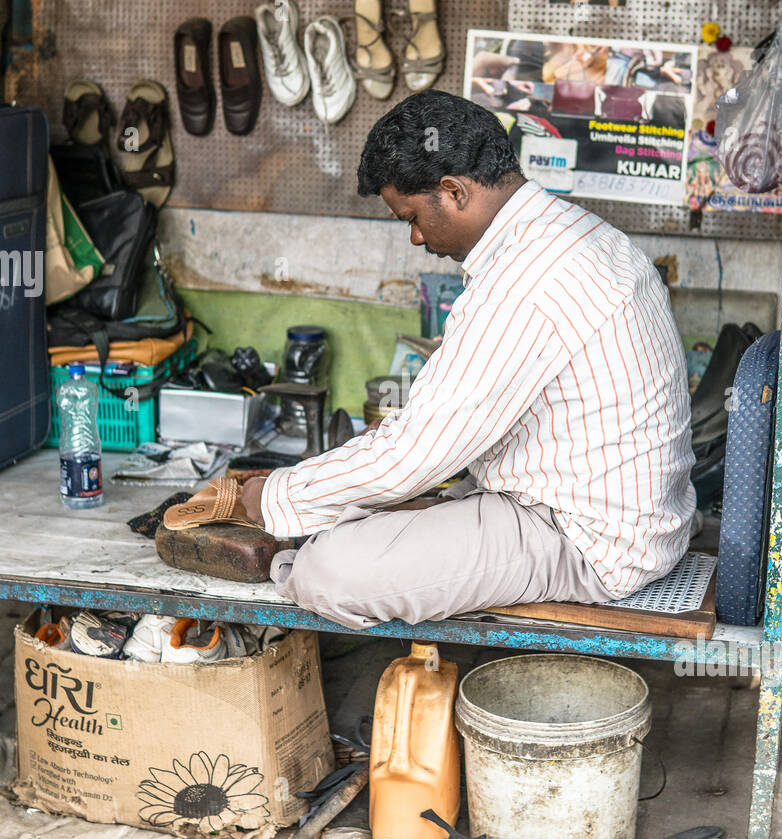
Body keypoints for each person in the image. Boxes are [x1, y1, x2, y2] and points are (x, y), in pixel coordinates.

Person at [166, 92, 696, 630]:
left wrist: (269, 497)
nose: (416, 236)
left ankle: (294, 555)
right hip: (619, 517)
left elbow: (413, 455)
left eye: (413, 218)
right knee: (365, 508)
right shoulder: (574, 236)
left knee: (330, 568)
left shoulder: (528, 280)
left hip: (587, 541)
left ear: (454, 191)